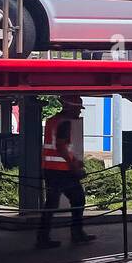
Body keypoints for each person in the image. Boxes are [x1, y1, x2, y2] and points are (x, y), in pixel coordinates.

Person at [37, 95, 97, 249]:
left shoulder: (52, 121)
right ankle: (76, 233)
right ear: (69, 107)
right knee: (78, 200)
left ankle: (43, 238)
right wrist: (74, 167)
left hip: (50, 169)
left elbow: (60, 148)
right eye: (78, 108)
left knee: (51, 204)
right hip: (62, 171)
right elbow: (61, 147)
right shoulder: (64, 123)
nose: (79, 112)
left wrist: (75, 162)